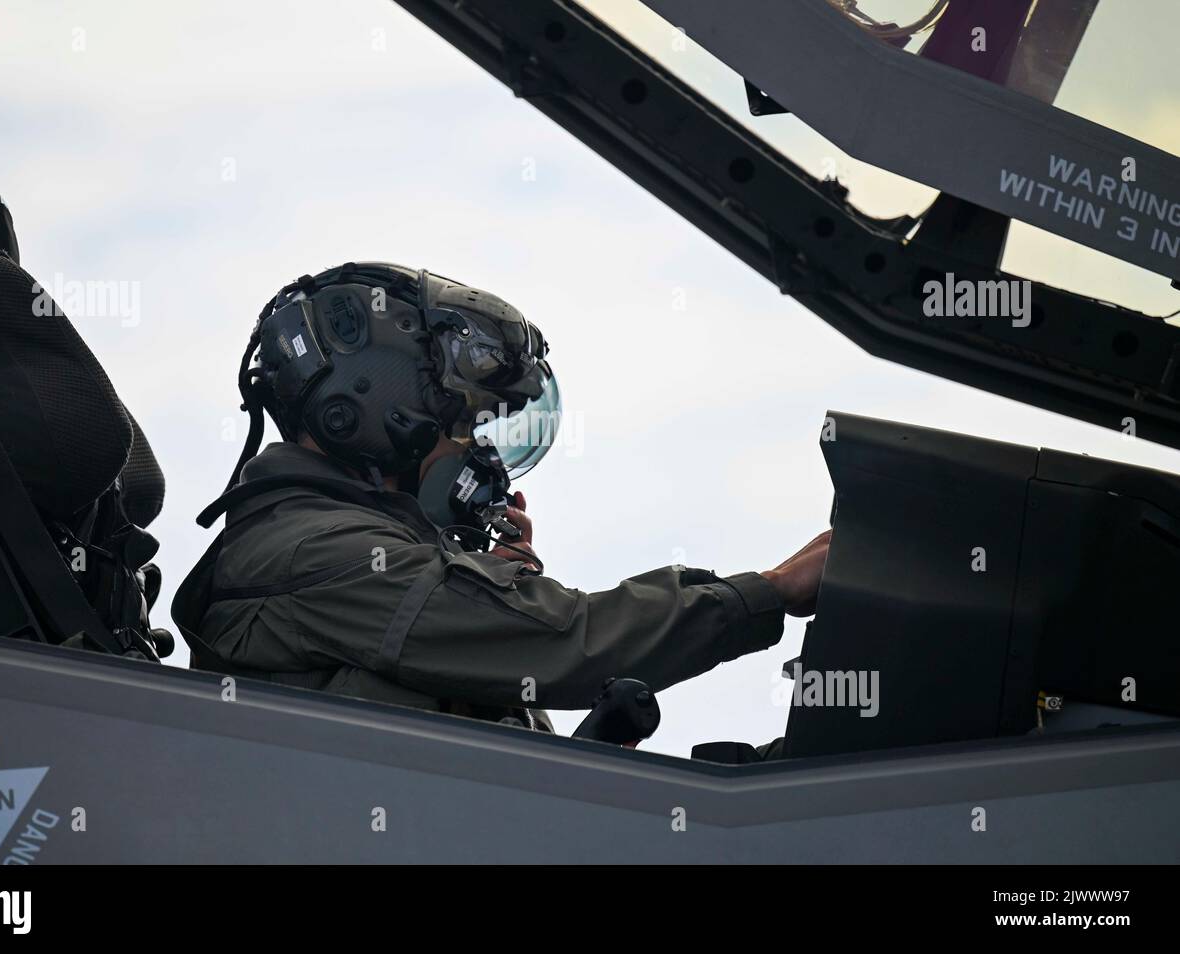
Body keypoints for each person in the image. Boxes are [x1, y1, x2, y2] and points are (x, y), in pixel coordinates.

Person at [172, 263, 830, 732]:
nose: (479, 457)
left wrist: (489, 589)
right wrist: (770, 591)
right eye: (466, 425)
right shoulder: (318, 551)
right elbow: (572, 639)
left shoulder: (363, 549)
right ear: (375, 409)